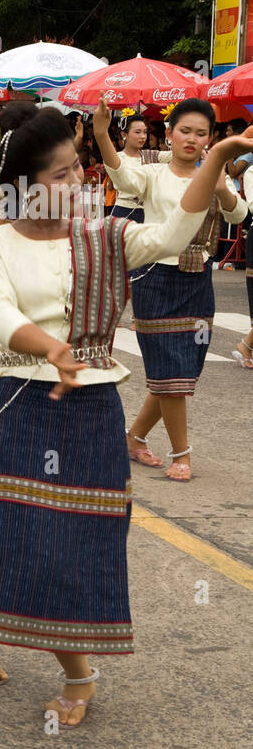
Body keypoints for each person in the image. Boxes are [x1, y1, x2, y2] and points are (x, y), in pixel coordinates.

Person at [0, 100, 253, 727]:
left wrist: (220, 157)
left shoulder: (104, 233)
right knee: (22, 538)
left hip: (91, 408)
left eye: (77, 169)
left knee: (78, 543)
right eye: (60, 175)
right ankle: (61, 665)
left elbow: (174, 232)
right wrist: (51, 348)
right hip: (21, 405)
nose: (78, 183)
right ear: (24, 189)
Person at [96, 98, 247, 481]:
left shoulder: (215, 173)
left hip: (199, 280)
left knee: (182, 372)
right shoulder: (152, 174)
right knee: (170, 373)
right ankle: (182, 454)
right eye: (185, 131)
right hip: (155, 279)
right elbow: (121, 176)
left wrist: (219, 185)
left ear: (211, 138)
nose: (192, 139)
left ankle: (133, 438)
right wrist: (101, 132)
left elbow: (238, 214)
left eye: (201, 133)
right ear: (169, 133)